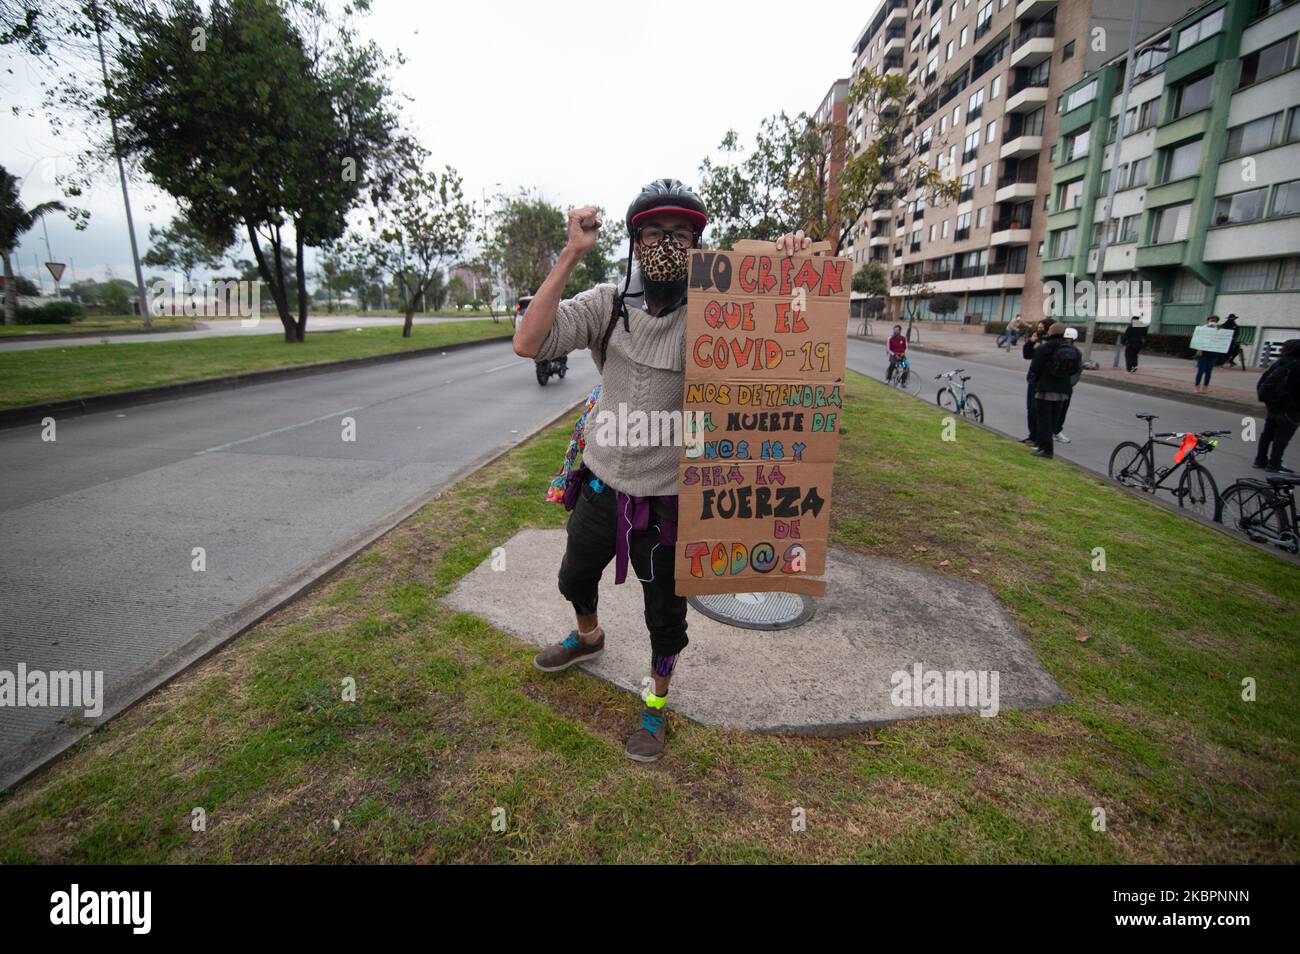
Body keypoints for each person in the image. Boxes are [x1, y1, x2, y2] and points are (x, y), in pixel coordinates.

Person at [514, 178, 814, 763]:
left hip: (669, 497)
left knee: (664, 615)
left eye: (681, 234)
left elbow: (785, 338)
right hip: (601, 483)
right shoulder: (607, 304)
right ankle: (588, 636)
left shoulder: (719, 318)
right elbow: (530, 341)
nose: (666, 244)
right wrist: (571, 251)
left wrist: (791, 274)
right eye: (654, 232)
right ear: (634, 242)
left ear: (701, 246)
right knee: (574, 576)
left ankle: (655, 704)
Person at [1028, 321, 1080, 458]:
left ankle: (1046, 449)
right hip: (1063, 391)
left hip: (1045, 389)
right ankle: (1044, 447)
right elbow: (1076, 369)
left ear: (1051, 332)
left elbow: (1034, 367)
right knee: (1052, 421)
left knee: (1043, 420)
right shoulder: (1073, 350)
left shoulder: (1045, 348)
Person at [1253, 338, 1300, 474]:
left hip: (1273, 406)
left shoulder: (1279, 363)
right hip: (1290, 409)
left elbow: (1263, 381)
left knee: (1267, 434)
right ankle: (1274, 463)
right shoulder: (1297, 366)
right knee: (1282, 437)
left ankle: (1260, 460)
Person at [1020, 317, 1052, 443]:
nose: (1038, 331)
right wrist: (1031, 342)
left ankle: (1041, 438)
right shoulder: (1037, 341)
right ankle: (1032, 435)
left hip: (1044, 382)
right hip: (1033, 380)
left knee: (1039, 410)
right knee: (1031, 409)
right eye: (1037, 328)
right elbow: (1027, 355)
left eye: (1041, 329)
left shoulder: (1051, 344)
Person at [1054, 326, 1083, 444]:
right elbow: (1077, 370)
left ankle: (1054, 431)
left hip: (1059, 384)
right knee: (1060, 409)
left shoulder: (1056, 348)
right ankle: (1055, 431)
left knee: (1058, 409)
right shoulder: (1076, 352)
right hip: (1064, 385)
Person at [1193, 315, 1221, 393]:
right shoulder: (1202, 329)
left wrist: (1220, 330)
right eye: (1211, 320)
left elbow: (1222, 339)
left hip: (1213, 354)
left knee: (1209, 372)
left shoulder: (1219, 329)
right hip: (1203, 353)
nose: (1213, 322)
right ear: (1208, 320)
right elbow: (1197, 339)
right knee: (1200, 371)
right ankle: (1197, 386)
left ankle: (1205, 387)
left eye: (1215, 321)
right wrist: (1198, 349)